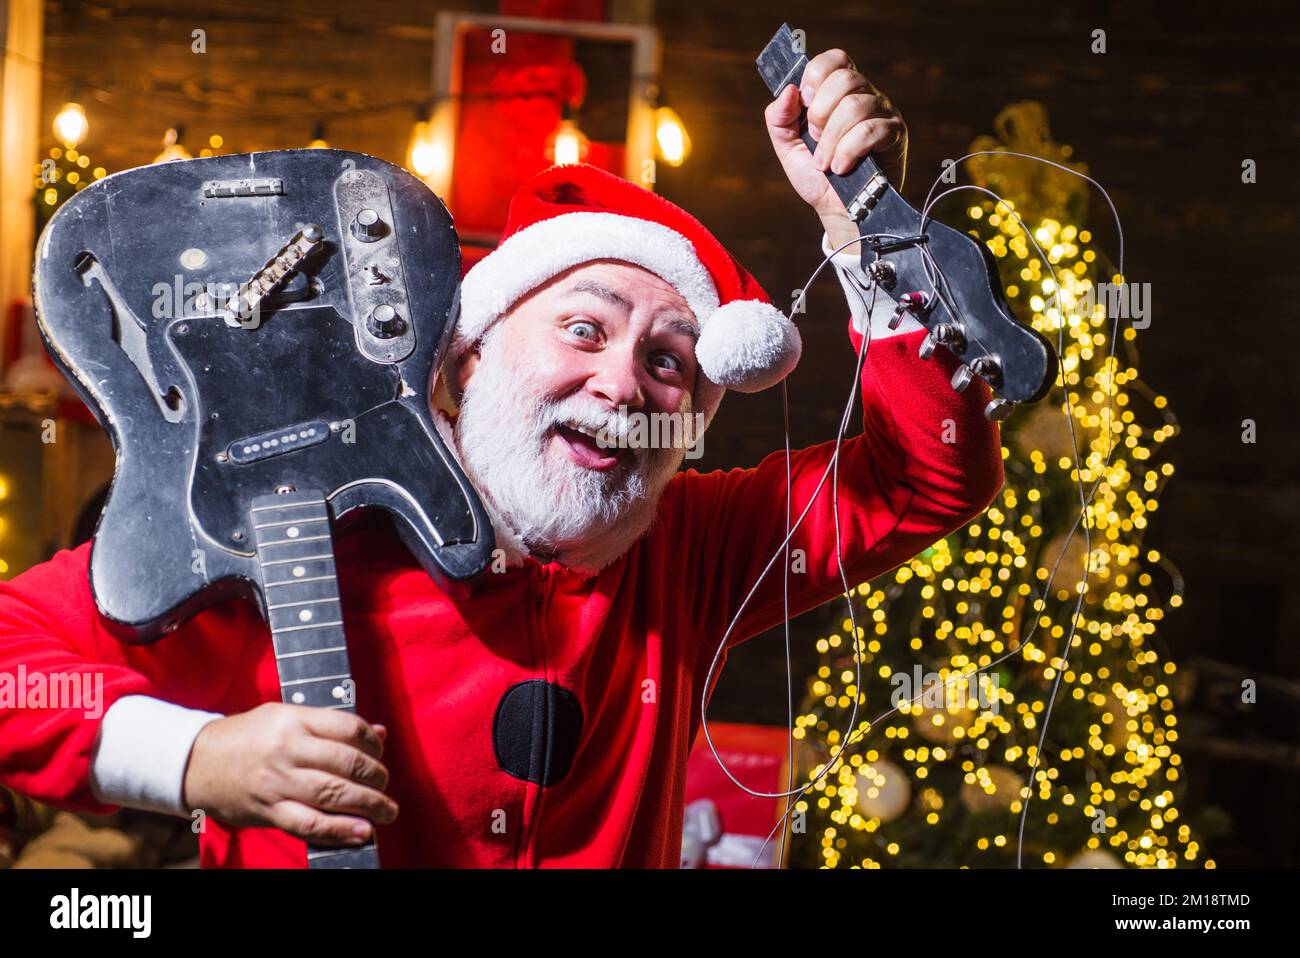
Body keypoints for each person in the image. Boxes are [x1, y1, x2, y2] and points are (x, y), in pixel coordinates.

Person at [0, 50, 1002, 867]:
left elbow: (926, 475)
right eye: (583, 328)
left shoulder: (692, 546)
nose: (622, 384)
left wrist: (864, 224)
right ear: (470, 352)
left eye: (669, 361)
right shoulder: (307, 512)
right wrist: (194, 755)